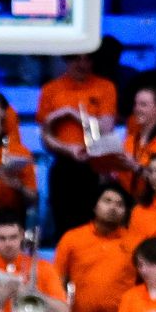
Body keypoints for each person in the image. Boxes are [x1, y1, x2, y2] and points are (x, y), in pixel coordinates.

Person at [53, 183, 140, 312]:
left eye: (119, 204)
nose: (113, 207)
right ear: (95, 206)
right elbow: (57, 285)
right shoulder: (72, 239)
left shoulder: (136, 243)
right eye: (107, 201)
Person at [36, 53, 118, 236]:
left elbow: (105, 130)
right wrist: (67, 149)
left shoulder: (105, 87)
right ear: (66, 60)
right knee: (63, 226)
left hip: (94, 164)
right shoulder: (51, 90)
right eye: (76, 59)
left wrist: (75, 115)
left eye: (88, 59)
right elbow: (45, 136)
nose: (83, 64)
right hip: (64, 164)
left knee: (93, 225)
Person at [0, 92, 37, 218]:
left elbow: (33, 199)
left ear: (3, 112)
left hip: (9, 220)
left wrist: (18, 186)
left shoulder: (20, 152)